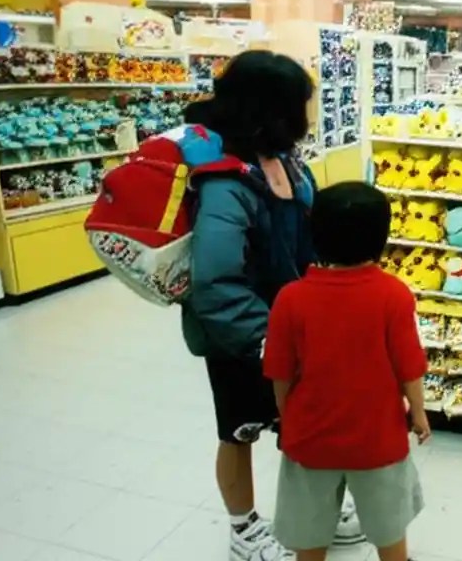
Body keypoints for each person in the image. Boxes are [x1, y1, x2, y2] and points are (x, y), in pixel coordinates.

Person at [180, 50, 362, 561]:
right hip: (241, 337)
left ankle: (309, 511)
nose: (307, 121)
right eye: (300, 109)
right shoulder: (224, 184)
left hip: (294, 324)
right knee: (238, 429)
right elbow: (215, 284)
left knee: (300, 422)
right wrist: (268, 339)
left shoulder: (282, 160)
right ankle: (245, 530)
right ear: (270, 110)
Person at [264, 182, 429, 561]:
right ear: (381, 239)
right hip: (378, 439)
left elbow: (279, 372)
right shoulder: (393, 295)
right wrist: (418, 413)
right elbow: (409, 365)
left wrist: (289, 419)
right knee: (390, 533)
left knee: (310, 536)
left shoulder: (291, 298)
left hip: (310, 439)